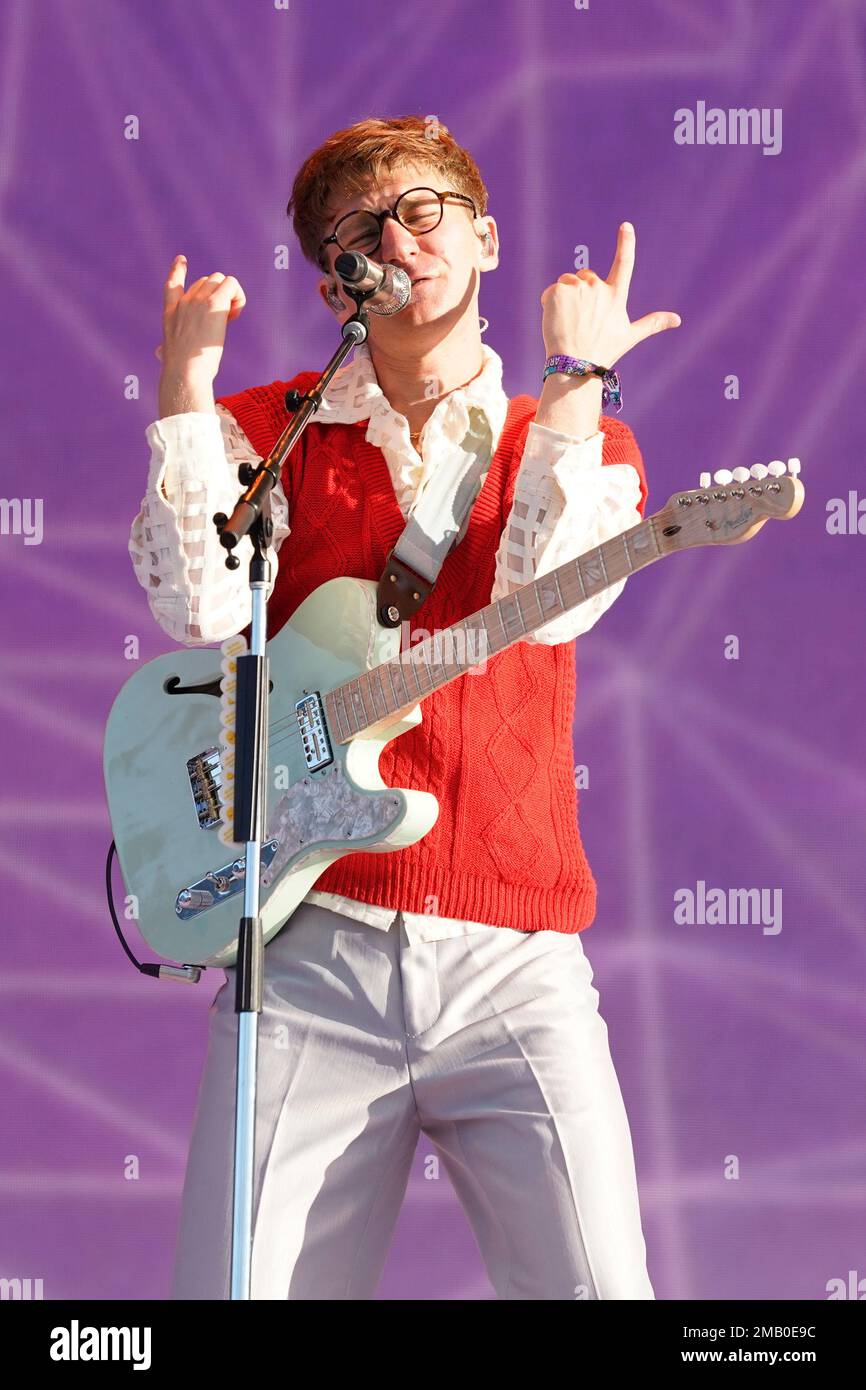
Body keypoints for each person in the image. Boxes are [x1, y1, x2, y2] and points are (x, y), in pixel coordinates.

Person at [129, 115, 681, 1300]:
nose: (394, 238)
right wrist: (184, 390)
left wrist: (577, 380)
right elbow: (193, 605)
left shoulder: (575, 437)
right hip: (307, 946)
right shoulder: (266, 433)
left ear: (482, 237)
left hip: (514, 956)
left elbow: (548, 609)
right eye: (356, 230)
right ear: (336, 279)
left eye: (422, 210)